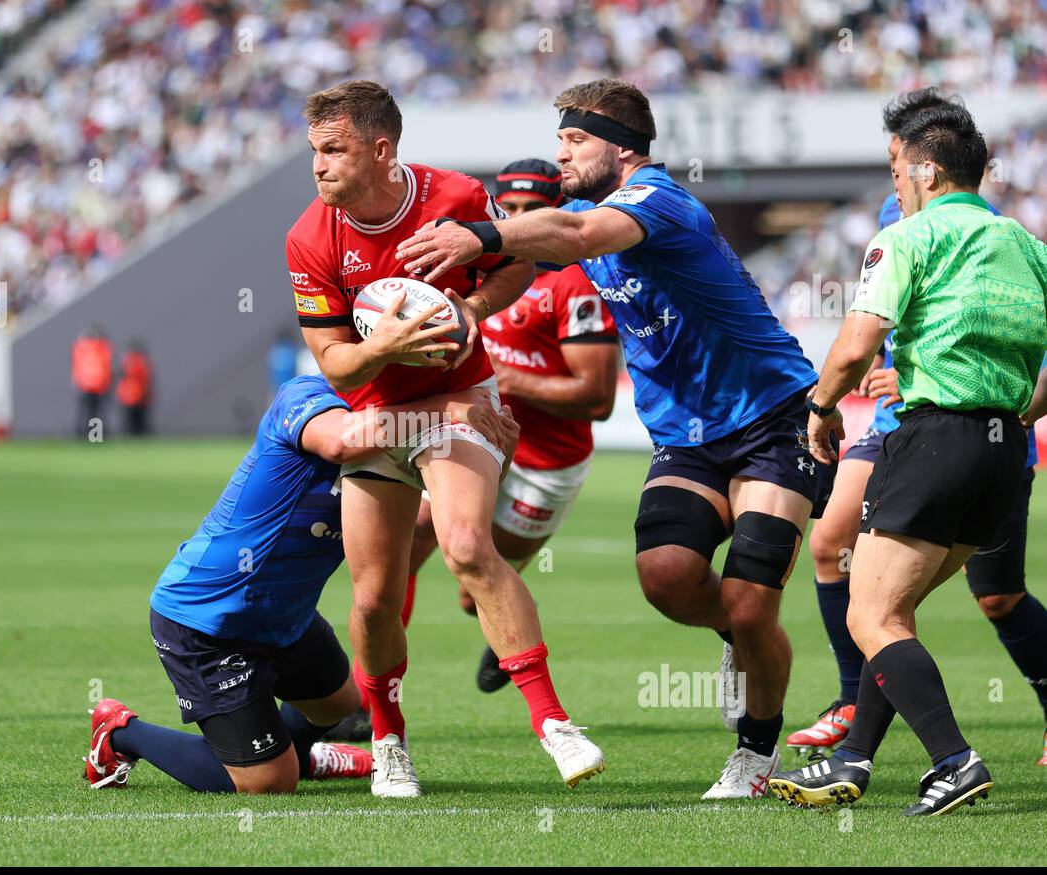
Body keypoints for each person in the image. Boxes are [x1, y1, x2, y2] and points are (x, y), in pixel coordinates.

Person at [397, 78, 833, 798]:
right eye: (560, 139)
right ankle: (737, 639)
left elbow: (569, 237)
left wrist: (478, 233)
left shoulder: (659, 199)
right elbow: (532, 249)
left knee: (754, 601)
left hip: (771, 417)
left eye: (575, 140)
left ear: (622, 148)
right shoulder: (578, 208)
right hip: (687, 438)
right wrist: (452, 293)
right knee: (665, 579)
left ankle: (755, 755)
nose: (561, 153)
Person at [286, 80, 605, 797]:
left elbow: (517, 263)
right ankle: (388, 740)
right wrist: (392, 344)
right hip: (377, 417)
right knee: (373, 598)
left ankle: (553, 722)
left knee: (465, 545)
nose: (318, 166)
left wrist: (468, 308)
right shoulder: (310, 238)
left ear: (381, 149)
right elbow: (335, 361)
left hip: (461, 400)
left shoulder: (455, 197)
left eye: (332, 150)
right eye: (313, 151)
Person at [767, 104, 1047, 816]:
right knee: (891, 608)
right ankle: (854, 760)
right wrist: (1019, 412)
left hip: (933, 441)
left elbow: (857, 345)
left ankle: (954, 760)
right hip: (1006, 453)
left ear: (925, 169)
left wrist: (821, 408)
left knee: (872, 614)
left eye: (897, 170)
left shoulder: (908, 237)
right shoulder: (1025, 243)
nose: (894, 185)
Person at [85, 368, 518, 794]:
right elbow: (340, 440)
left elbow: (434, 524)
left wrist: (494, 455)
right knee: (267, 783)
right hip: (210, 619)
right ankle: (121, 731)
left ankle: (301, 756)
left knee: (341, 705)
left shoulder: (404, 433)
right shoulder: (309, 396)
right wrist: (445, 409)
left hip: (287, 619)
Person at [405, 159, 620, 691]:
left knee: (471, 588)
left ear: (558, 213)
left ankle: (512, 624)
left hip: (544, 466)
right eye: (511, 211)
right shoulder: (478, 270)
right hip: (475, 438)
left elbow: (596, 399)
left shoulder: (576, 286)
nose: (518, 224)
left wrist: (507, 380)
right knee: (409, 542)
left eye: (533, 212)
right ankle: (375, 696)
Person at [71, 327, 113, 437]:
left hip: (85, 385)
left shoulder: (80, 347)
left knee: (85, 412)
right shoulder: (102, 348)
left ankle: (83, 435)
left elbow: (77, 366)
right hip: (99, 384)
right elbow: (106, 366)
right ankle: (95, 436)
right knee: (96, 413)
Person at [116, 340, 153, 437]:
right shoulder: (143, 362)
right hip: (138, 396)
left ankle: (130, 438)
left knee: (130, 422)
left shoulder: (126, 362)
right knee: (138, 422)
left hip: (129, 397)